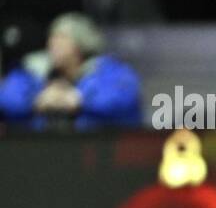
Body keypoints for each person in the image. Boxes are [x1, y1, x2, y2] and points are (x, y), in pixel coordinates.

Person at [0, 13, 141, 128]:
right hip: (35, 150)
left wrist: (79, 100)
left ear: (80, 45)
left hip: (95, 151)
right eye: (52, 39)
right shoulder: (34, 70)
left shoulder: (110, 71)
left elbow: (122, 100)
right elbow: (7, 97)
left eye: (61, 39)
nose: (52, 45)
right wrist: (36, 101)